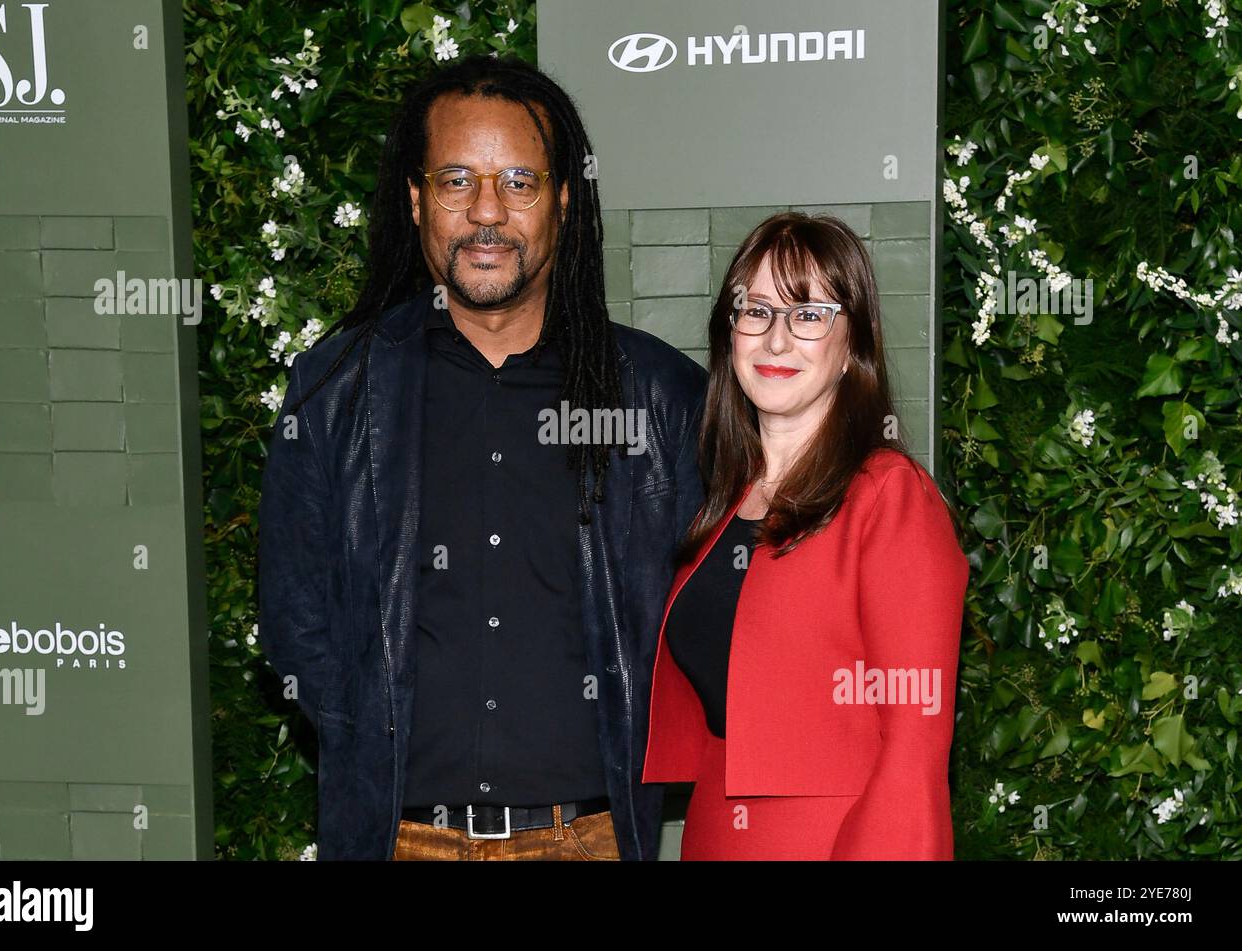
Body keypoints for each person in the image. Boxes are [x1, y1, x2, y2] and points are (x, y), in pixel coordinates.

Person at [256, 54, 706, 861]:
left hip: (590, 841)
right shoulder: (335, 389)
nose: (487, 212)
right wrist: (377, 739)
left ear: (564, 204)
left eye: (519, 183)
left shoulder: (660, 397)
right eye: (458, 180)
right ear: (417, 199)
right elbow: (297, 626)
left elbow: (707, 625)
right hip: (402, 842)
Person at [642, 212, 969, 859]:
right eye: (755, 310)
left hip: (837, 840)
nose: (776, 338)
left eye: (809, 313)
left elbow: (913, 754)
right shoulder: (722, 506)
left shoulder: (889, 495)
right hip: (714, 832)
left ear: (852, 346)